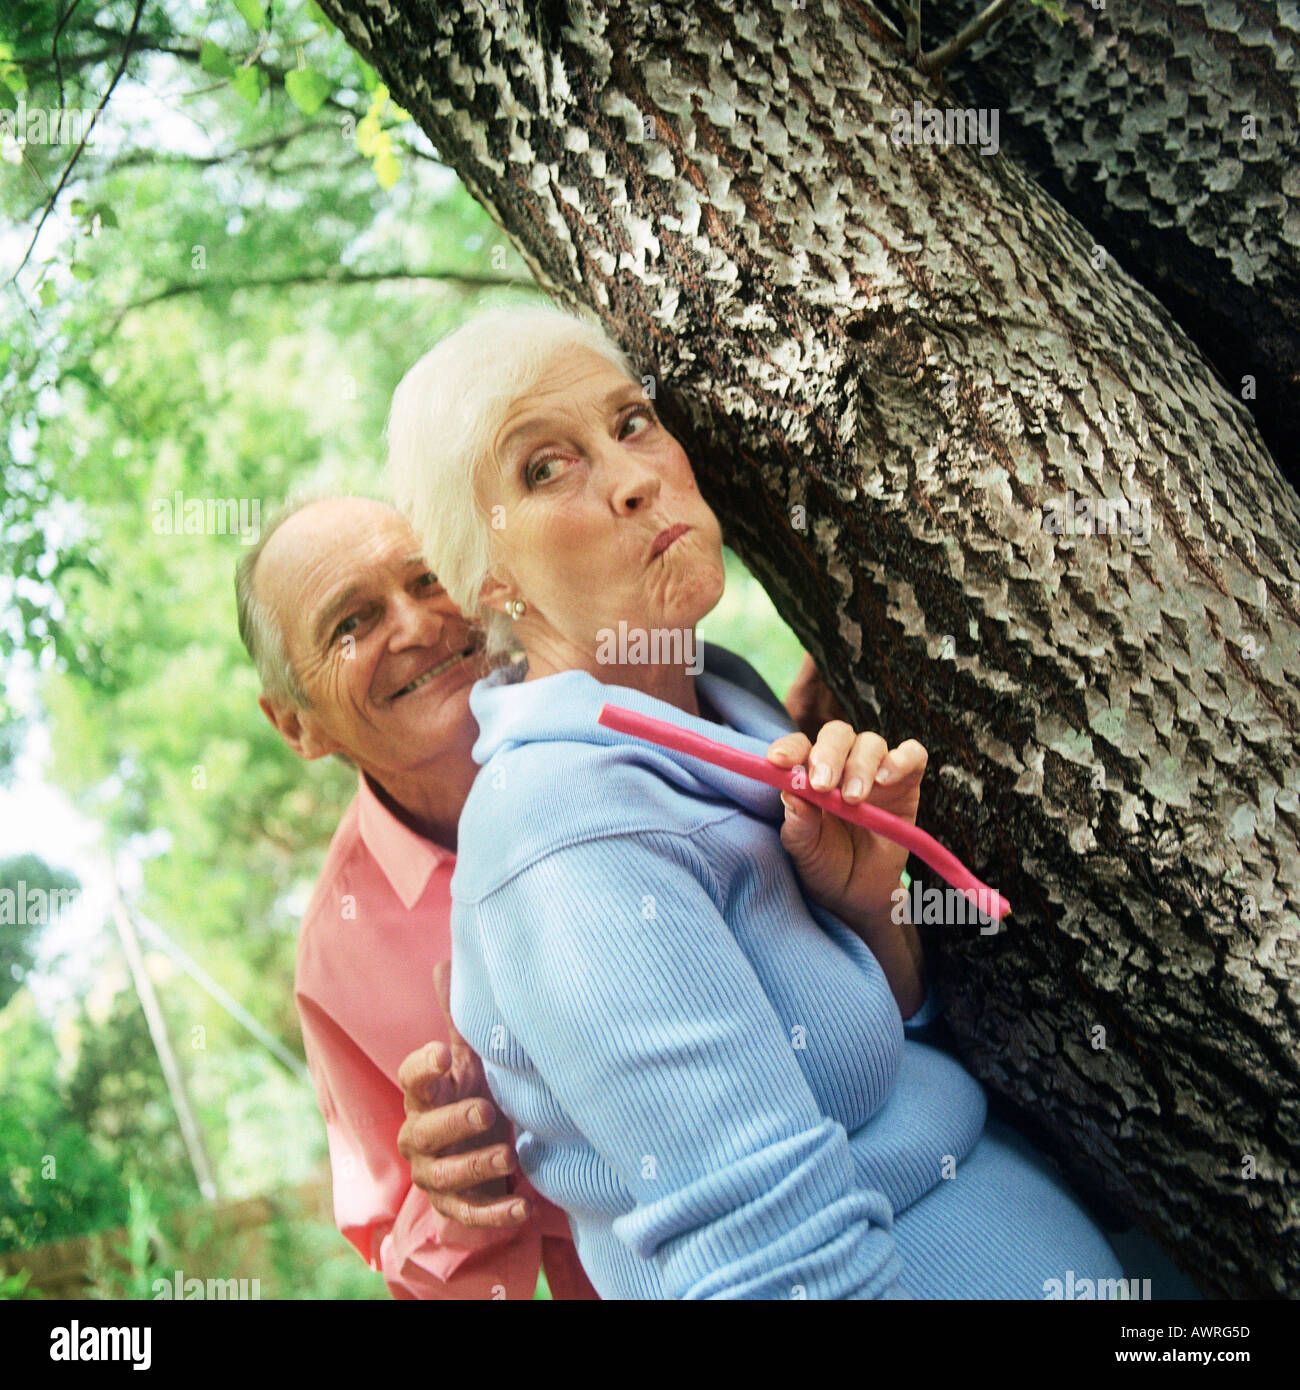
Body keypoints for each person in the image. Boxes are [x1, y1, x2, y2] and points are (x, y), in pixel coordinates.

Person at [385, 302, 1137, 1300]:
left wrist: (866, 905)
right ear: (487, 580)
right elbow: (770, 1276)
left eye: (629, 422)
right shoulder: (561, 836)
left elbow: (881, 1052)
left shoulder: (718, 698)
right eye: (544, 466)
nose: (633, 479)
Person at [235, 493, 854, 1299]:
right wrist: (452, 1194)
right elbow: (419, 1268)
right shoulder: (340, 960)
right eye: (349, 624)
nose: (419, 625)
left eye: (427, 579)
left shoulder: (622, 683)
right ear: (295, 727)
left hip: (866, 1158)